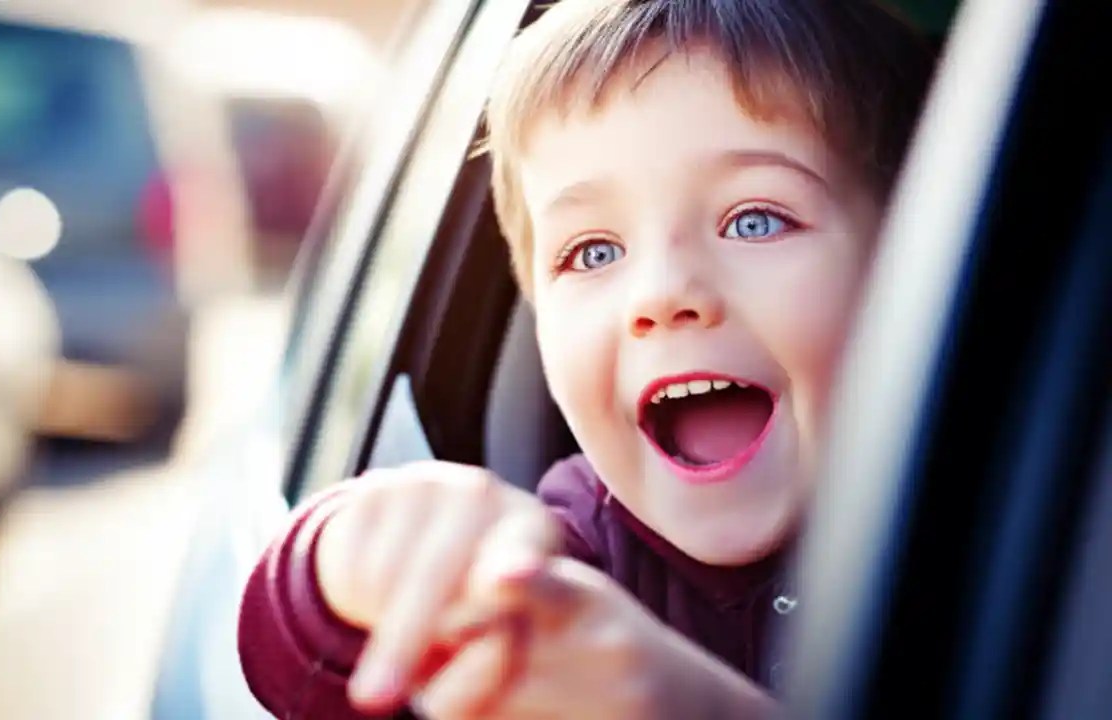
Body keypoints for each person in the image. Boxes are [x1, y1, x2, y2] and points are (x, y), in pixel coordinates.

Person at [238, 1, 934, 717]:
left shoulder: (1023, 531)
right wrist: (353, 556)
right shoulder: (570, 559)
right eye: (593, 252)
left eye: (754, 220)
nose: (661, 294)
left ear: (919, 265)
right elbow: (306, 666)